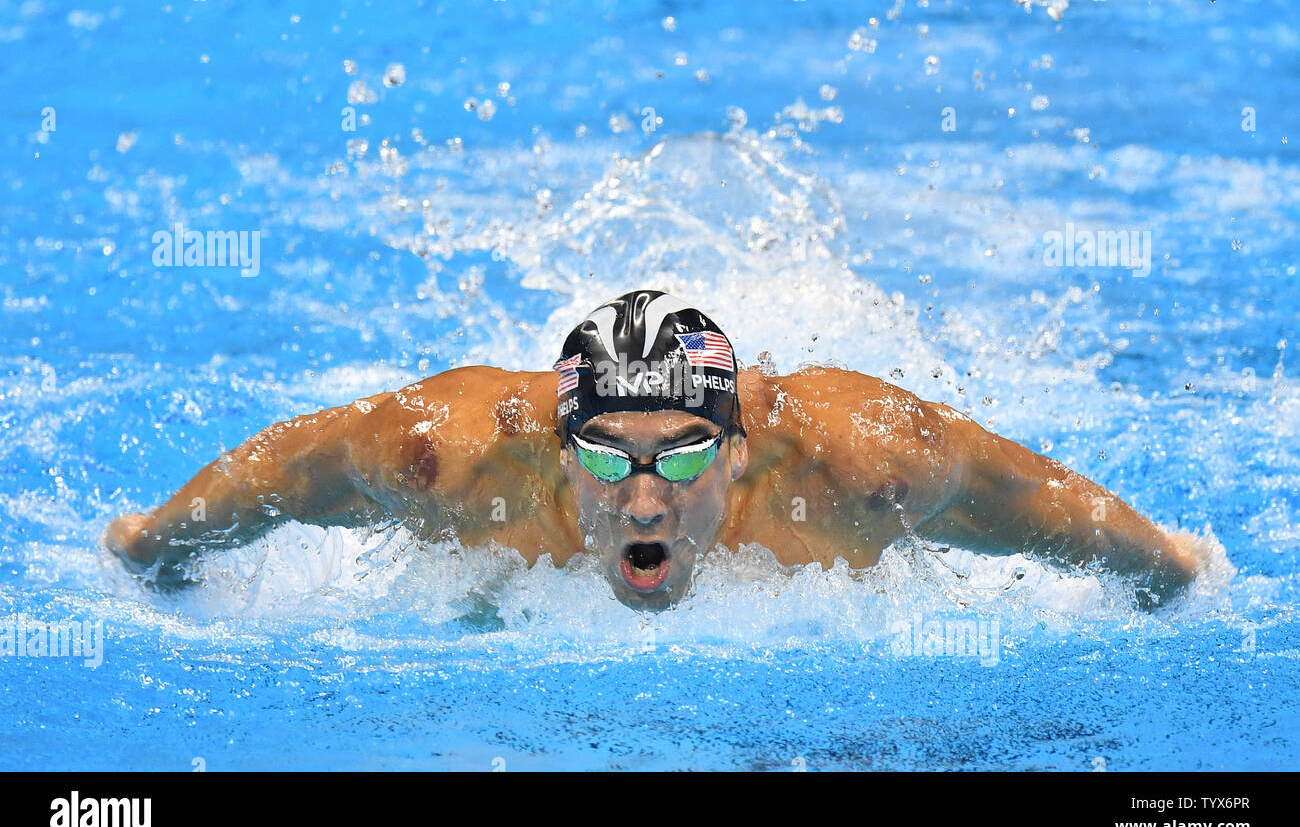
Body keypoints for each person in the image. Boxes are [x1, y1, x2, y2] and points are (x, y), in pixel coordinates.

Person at [103, 289, 1204, 610]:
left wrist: (1169, 568)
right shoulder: (448, 458)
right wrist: (154, 545)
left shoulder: (865, 468)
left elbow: (1046, 503)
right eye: (608, 455)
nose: (640, 500)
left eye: (680, 455)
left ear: (741, 449)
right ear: (551, 438)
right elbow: (287, 469)